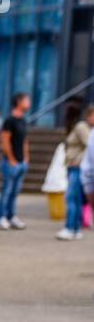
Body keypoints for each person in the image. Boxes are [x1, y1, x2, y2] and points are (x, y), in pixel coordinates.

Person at [58, 100, 91, 240]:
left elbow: (90, 145)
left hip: (77, 167)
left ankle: (70, 227)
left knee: (71, 198)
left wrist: (80, 160)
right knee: (76, 199)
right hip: (75, 166)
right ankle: (75, 228)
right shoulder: (80, 127)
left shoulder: (81, 126)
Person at [0, 91, 31, 230]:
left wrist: (26, 158)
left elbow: (24, 141)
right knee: (7, 190)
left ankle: (11, 216)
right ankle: (1, 217)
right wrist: (11, 159)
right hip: (10, 162)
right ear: (19, 102)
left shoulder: (22, 120)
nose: (28, 103)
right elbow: (4, 141)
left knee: (15, 191)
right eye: (26, 100)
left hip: (21, 162)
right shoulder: (9, 121)